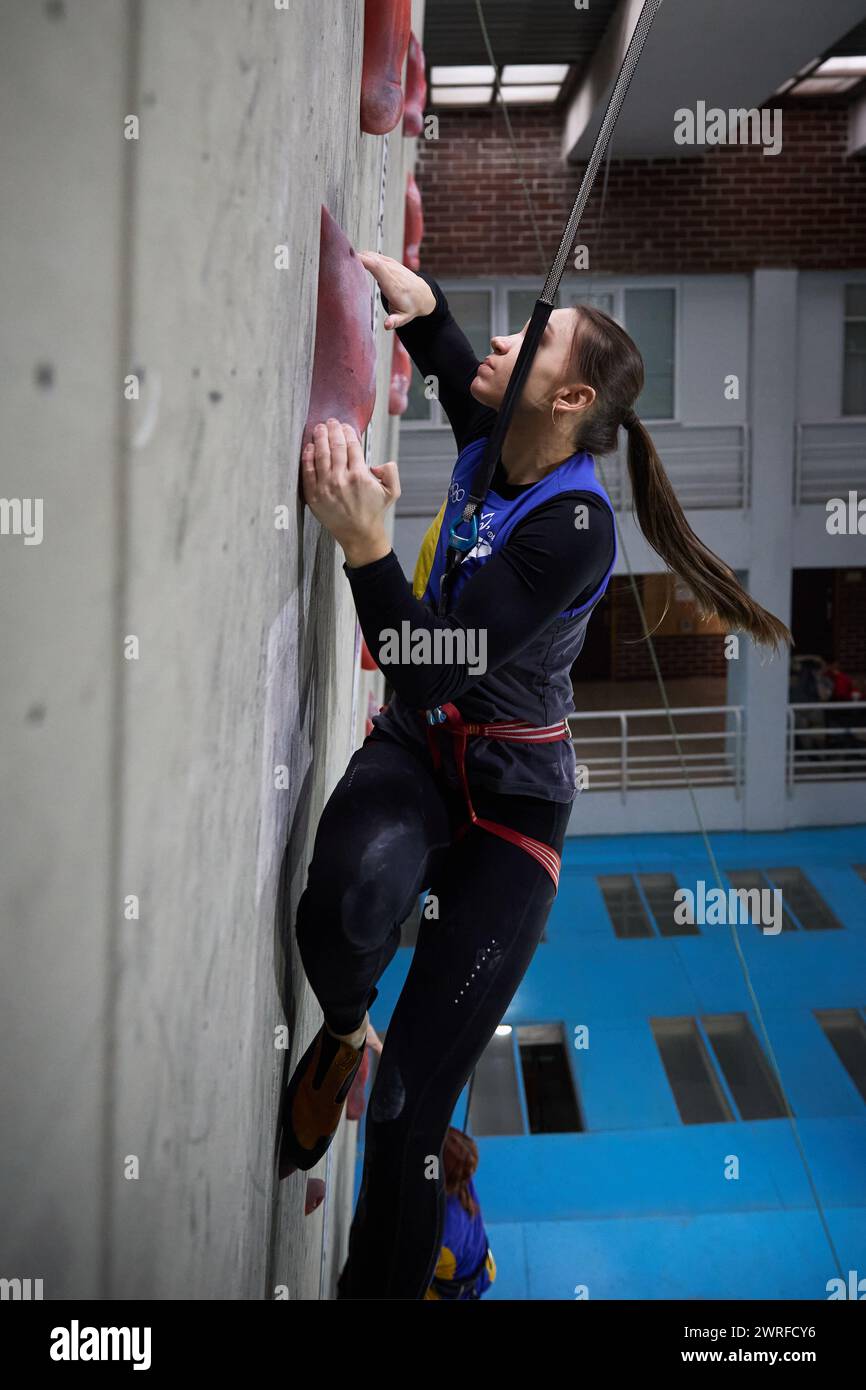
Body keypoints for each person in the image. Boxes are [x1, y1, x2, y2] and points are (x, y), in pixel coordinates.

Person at [279, 252, 792, 1300]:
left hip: (511, 810)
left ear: (565, 399)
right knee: (338, 908)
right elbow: (461, 364)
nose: (502, 344)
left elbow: (421, 673)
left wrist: (365, 551)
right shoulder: (499, 436)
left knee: (407, 1112)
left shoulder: (572, 527)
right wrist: (426, 314)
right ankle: (339, 1032)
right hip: (427, 757)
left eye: (532, 340)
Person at [423, 1129, 496, 1301]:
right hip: (484, 1267)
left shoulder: (441, 1229)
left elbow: (411, 1268)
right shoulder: (461, 1172)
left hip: (454, 1288)